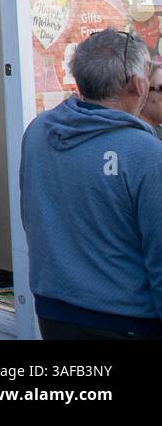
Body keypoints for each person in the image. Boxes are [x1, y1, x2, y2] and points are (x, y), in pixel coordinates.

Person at [19, 28, 162, 339]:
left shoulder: (39, 131)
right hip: (127, 322)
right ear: (138, 84)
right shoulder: (146, 153)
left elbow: (31, 219)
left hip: (54, 314)